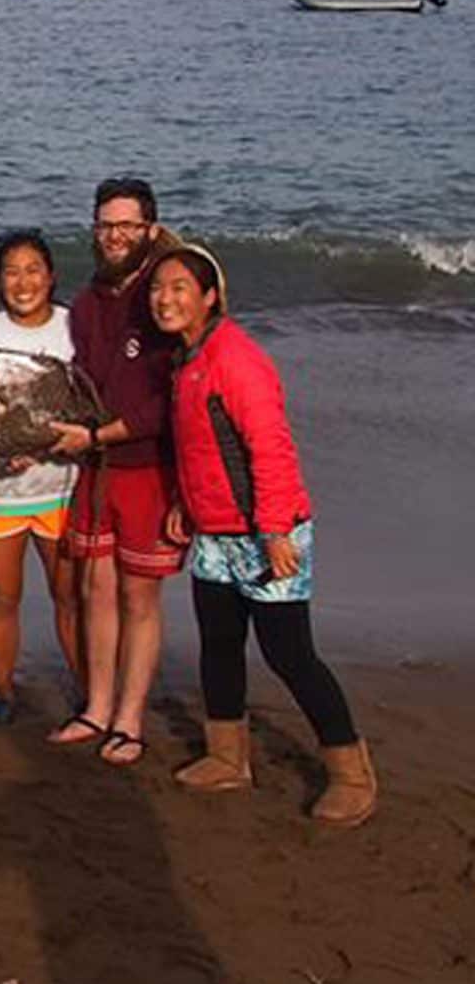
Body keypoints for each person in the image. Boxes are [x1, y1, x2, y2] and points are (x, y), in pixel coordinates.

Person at [149, 245, 372, 822]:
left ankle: (351, 774)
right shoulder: (186, 359)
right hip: (215, 535)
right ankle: (228, 758)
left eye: (179, 287)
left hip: (267, 532)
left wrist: (274, 532)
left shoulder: (235, 359)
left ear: (209, 296)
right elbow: (200, 448)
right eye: (157, 289)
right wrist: (183, 504)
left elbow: (270, 449)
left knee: (289, 654)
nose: (164, 299)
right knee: (219, 646)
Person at [46, 176, 182, 765]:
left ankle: (130, 719)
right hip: (96, 467)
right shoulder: (86, 303)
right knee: (93, 589)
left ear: (150, 229)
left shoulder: (164, 297)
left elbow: (167, 402)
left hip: (148, 467)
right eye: (106, 225)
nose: (115, 236)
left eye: (127, 225)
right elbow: (83, 387)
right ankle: (96, 707)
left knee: (137, 596)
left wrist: (99, 435)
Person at [0, 230, 81, 724]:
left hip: (62, 491)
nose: (23, 282)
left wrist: (49, 445)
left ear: (51, 276)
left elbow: (93, 408)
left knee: (69, 598)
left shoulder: (76, 330)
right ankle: (4, 692)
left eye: (33, 270)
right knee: (1, 598)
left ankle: (90, 692)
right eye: (11, 272)